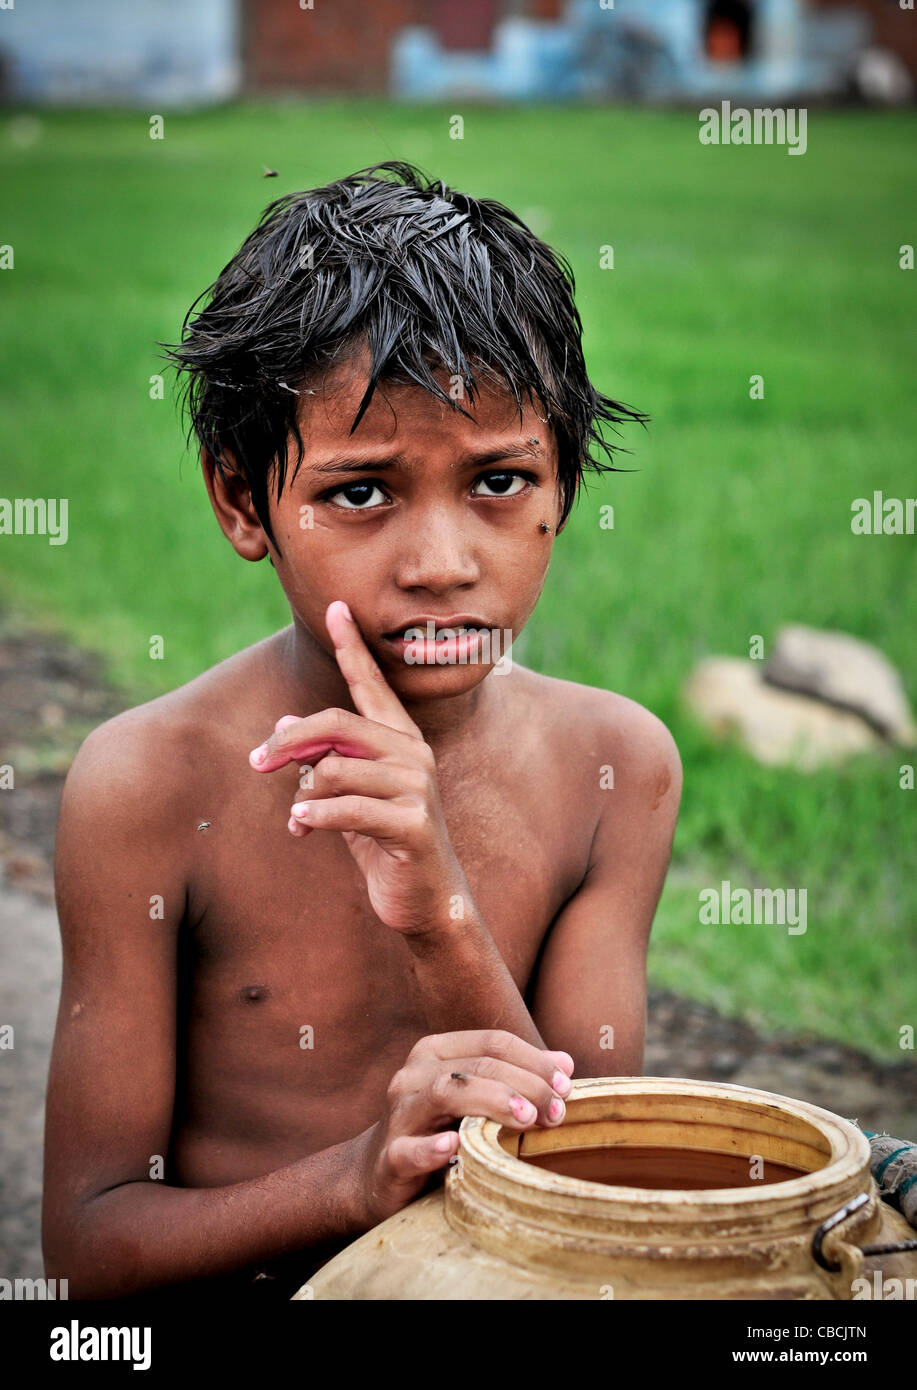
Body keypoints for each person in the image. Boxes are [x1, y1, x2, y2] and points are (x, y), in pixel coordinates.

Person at [42, 162, 682, 1300]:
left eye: (499, 480)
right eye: (359, 492)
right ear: (242, 500)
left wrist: (440, 915)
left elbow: (591, 1191)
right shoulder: (147, 784)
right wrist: (352, 1180)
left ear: (562, 486)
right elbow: (89, 1249)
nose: (442, 564)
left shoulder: (614, 768)